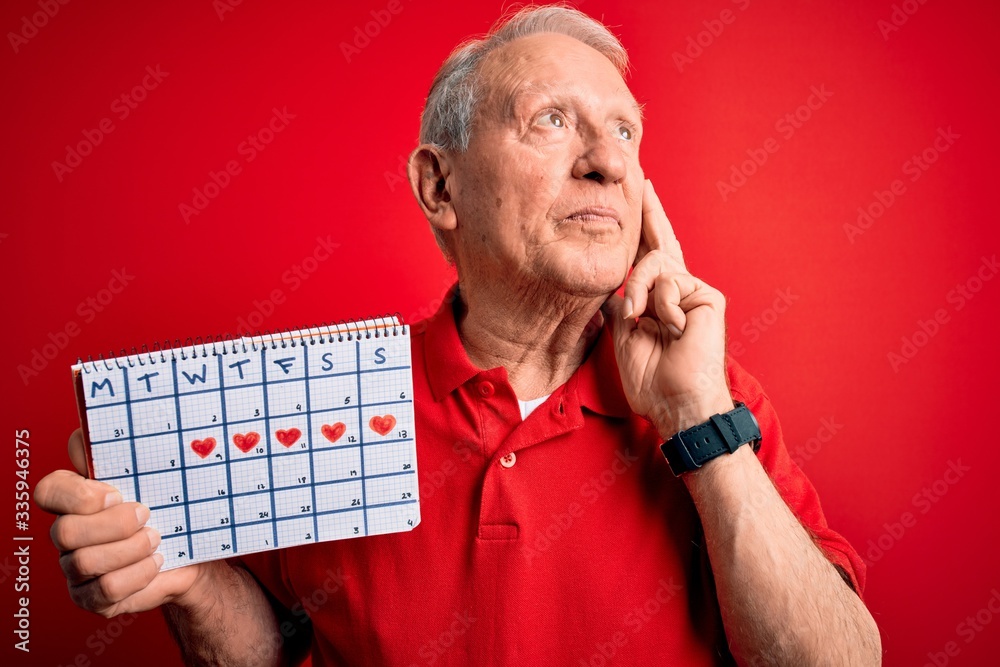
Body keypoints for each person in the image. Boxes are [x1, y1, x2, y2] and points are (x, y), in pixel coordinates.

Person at [36, 6, 881, 665]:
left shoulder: (713, 395)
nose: (610, 163)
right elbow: (271, 647)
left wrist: (700, 419)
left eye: (625, 131)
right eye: (552, 120)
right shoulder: (327, 401)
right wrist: (185, 577)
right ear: (441, 186)